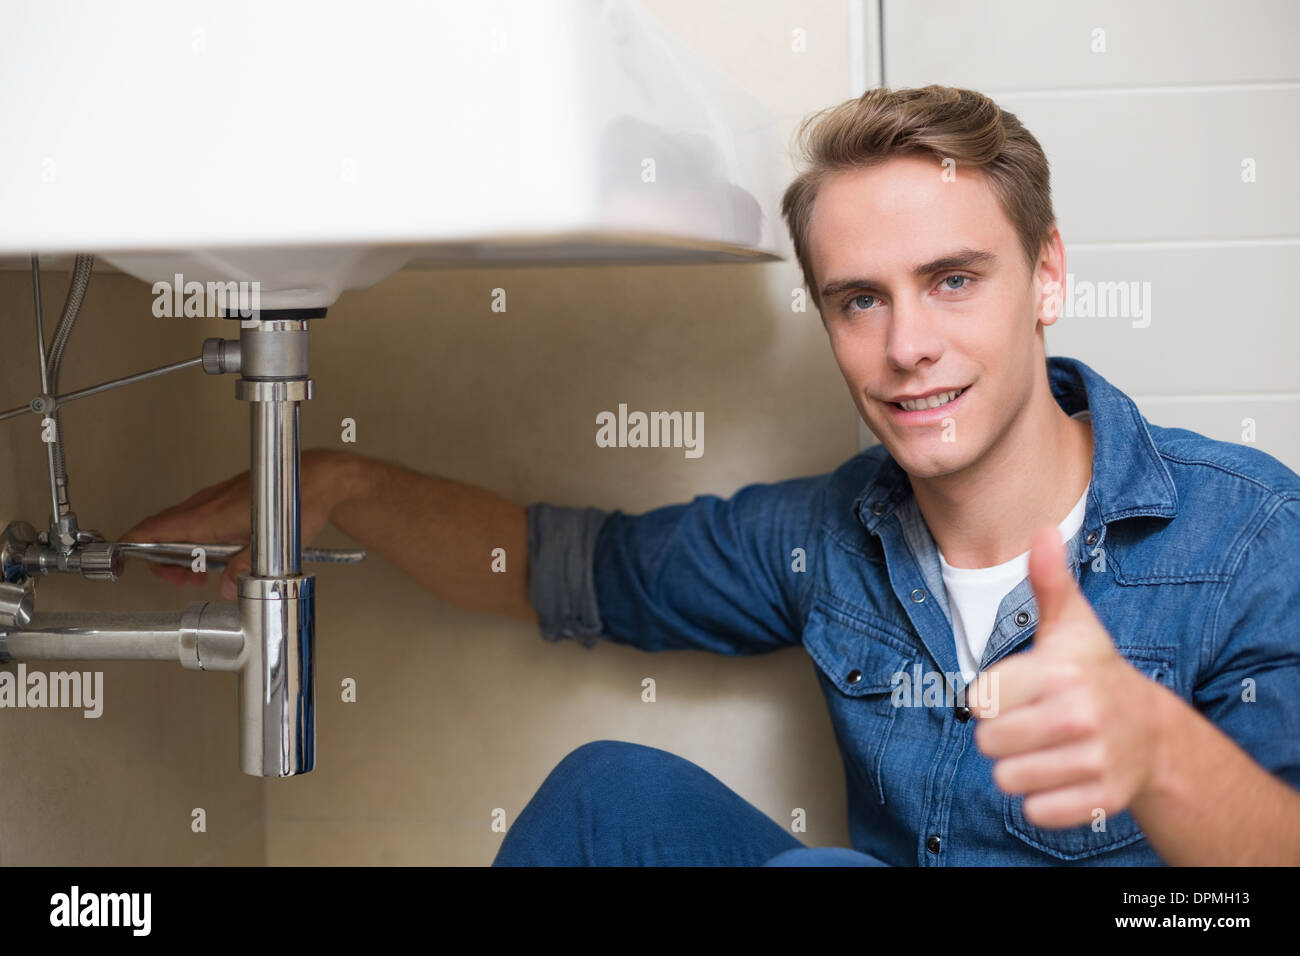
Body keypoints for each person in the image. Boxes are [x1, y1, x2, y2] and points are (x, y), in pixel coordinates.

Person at [121, 85, 1300, 866]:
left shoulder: (1241, 533)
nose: (906, 346)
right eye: (859, 299)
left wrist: (1157, 748)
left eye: (952, 279)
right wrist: (329, 484)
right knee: (608, 794)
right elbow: (565, 567)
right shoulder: (832, 534)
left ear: (1045, 276)